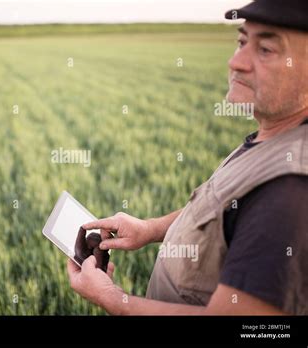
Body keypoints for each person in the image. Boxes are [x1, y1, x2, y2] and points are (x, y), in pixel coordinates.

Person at [67, 0, 308, 315]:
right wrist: (150, 229)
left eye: (265, 50)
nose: (236, 62)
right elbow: (224, 213)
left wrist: (114, 300)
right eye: (241, 41)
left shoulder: (289, 192)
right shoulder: (273, 139)